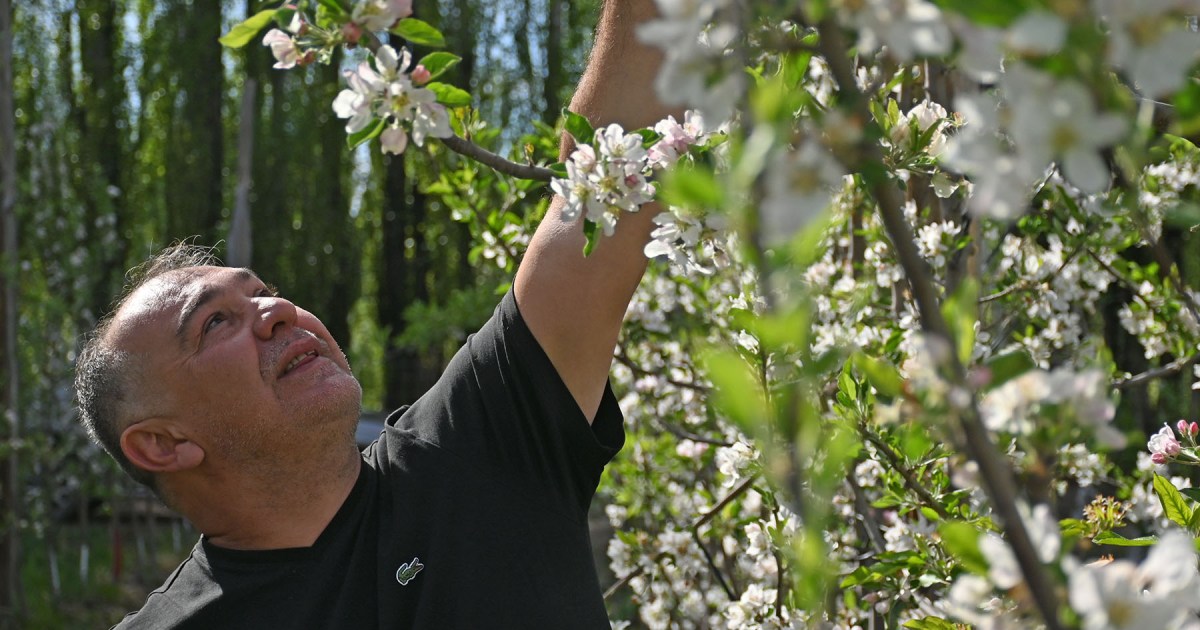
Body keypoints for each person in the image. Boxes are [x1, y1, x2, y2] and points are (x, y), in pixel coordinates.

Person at [73, 0, 678, 627]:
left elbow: (604, 181)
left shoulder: (482, 445)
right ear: (161, 443)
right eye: (214, 323)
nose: (277, 310)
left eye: (261, 291)